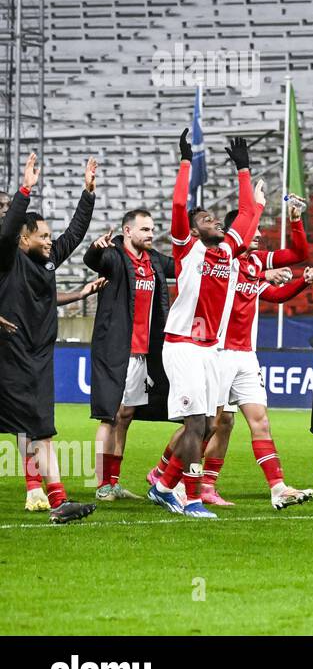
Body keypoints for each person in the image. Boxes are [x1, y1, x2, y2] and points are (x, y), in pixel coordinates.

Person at [147, 132, 264, 519]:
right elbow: (180, 202)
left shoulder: (227, 250)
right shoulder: (187, 247)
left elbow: (246, 215)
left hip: (211, 349)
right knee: (196, 421)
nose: (215, 221)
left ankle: (164, 486)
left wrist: (243, 170)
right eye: (207, 219)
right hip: (182, 345)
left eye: (216, 219)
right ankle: (192, 497)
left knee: (211, 424)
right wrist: (185, 161)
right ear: (194, 230)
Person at [190, 205, 313, 509]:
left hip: (246, 355)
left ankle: (277, 488)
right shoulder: (221, 257)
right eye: (253, 230)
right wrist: (265, 274)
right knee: (209, 424)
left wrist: (296, 224)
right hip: (217, 351)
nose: (259, 235)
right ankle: (171, 475)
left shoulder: (255, 261)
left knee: (257, 421)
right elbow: (235, 280)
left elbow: (296, 257)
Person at [0, 152, 99, 524]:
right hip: (11, 352)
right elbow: (7, 230)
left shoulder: (49, 258)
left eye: (48, 236)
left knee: (39, 427)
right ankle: (53, 497)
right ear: (23, 239)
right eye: (41, 235)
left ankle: (55, 499)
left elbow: (74, 232)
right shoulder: (8, 257)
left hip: (40, 354)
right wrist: (24, 188)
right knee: (35, 426)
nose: (49, 240)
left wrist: (88, 193)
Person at [83, 210, 177, 502]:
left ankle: (114, 481)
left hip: (142, 354)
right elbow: (94, 261)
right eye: (145, 229)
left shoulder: (154, 261)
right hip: (115, 350)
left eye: (152, 229)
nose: (151, 234)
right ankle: (101, 485)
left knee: (125, 416)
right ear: (127, 231)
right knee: (109, 417)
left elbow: (182, 266)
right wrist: (94, 249)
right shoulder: (114, 256)